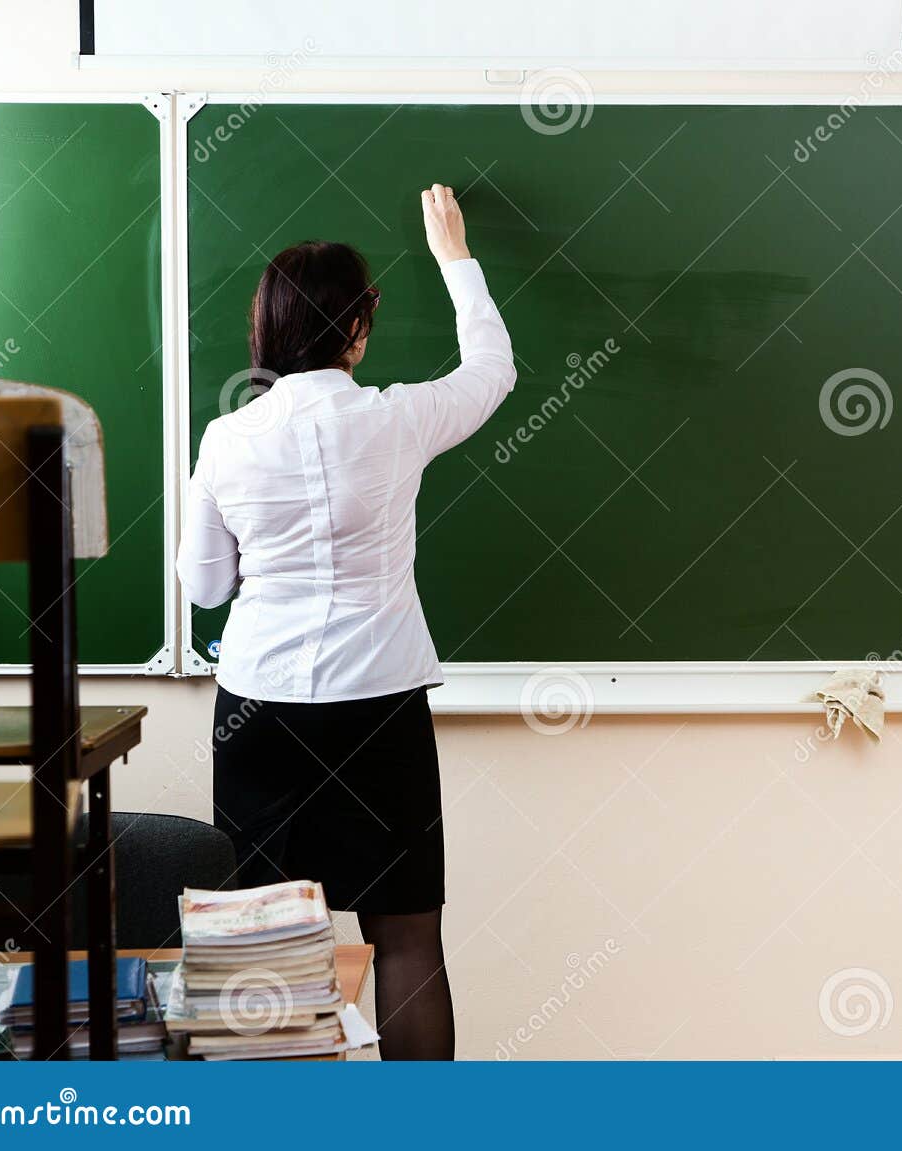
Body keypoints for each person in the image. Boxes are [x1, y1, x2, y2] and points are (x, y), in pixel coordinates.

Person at [176, 184, 514, 1060]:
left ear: (265, 330)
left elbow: (205, 586)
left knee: (270, 942)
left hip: (261, 711)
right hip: (380, 707)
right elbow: (491, 372)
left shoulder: (227, 440)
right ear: (357, 329)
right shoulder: (399, 417)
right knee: (405, 936)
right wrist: (454, 258)